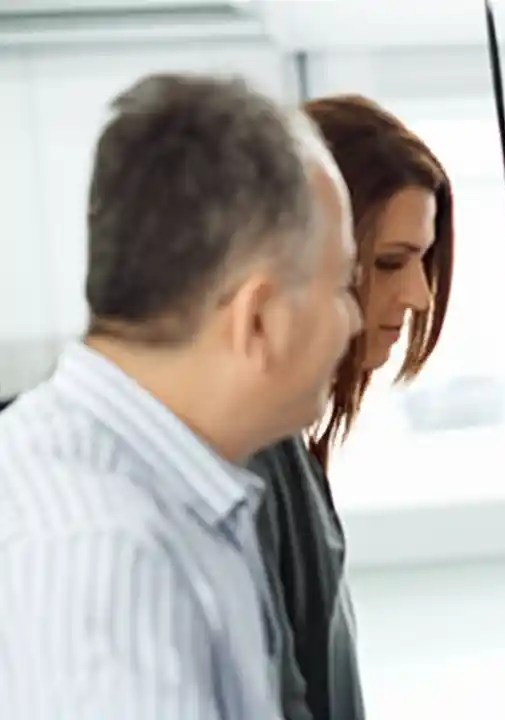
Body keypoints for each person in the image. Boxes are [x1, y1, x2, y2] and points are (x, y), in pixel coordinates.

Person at [0, 73, 361, 718]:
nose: (354, 322)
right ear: (259, 319)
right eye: (341, 287)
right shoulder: (105, 559)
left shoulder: (187, 491)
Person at [247, 93, 454, 720]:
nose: (418, 295)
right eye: (391, 263)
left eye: (422, 262)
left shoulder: (287, 447)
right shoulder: (245, 459)